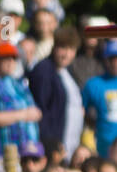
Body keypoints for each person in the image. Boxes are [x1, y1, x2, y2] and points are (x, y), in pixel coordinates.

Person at [26, 26, 84, 164]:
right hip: (51, 146)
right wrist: (50, 145)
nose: (66, 54)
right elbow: (42, 110)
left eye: (71, 49)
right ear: (54, 47)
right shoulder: (44, 70)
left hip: (69, 145)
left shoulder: (67, 71)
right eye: (62, 48)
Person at [0, 42, 41, 159]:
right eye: (6, 59)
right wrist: (23, 114)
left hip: (27, 153)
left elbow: (35, 111)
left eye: (13, 59)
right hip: (3, 151)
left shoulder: (19, 83)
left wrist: (33, 114)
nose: (10, 62)